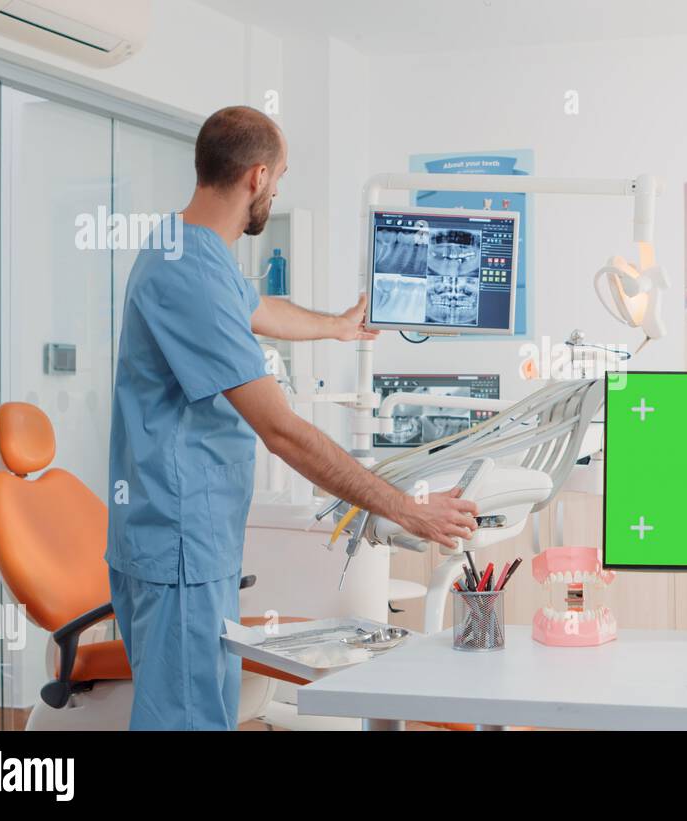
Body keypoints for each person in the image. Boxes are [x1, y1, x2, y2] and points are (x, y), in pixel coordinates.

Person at [106, 106, 478, 730]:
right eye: (279, 176)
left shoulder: (189, 244)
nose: (278, 188)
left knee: (207, 710)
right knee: (187, 721)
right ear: (256, 177)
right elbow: (282, 432)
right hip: (179, 541)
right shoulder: (190, 272)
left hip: (189, 534)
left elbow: (262, 309)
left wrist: (337, 327)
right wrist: (407, 508)